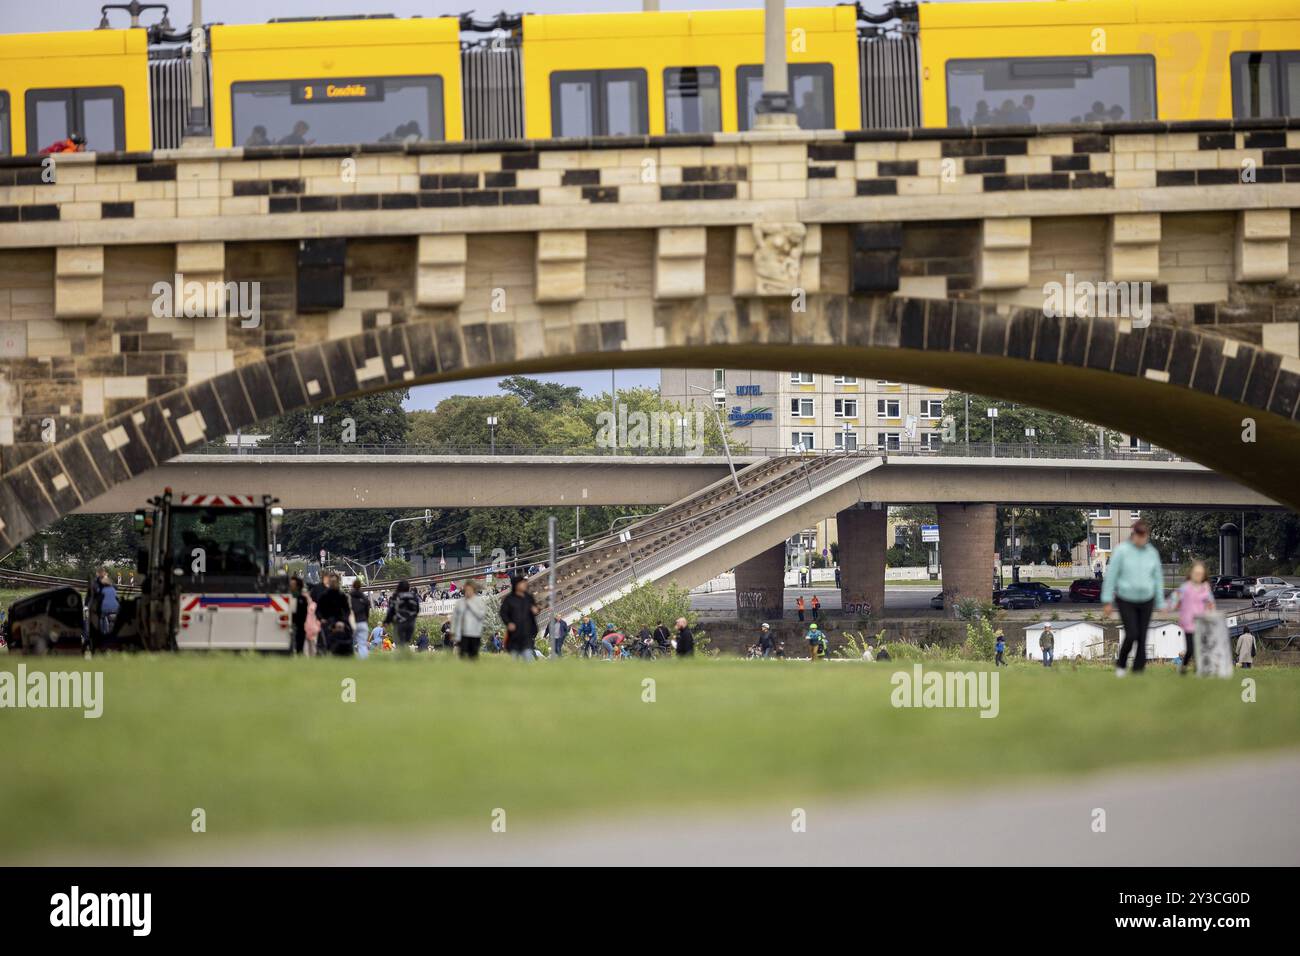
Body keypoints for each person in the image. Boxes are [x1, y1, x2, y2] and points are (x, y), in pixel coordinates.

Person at [1102, 519, 1165, 677]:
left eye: (1145, 536)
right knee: (1132, 634)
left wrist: (1161, 602)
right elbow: (1111, 576)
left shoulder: (1152, 553)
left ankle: (1138, 673)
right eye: (1139, 535)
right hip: (1126, 598)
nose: (1142, 539)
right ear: (1134, 534)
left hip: (1147, 599)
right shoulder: (1122, 551)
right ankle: (1121, 664)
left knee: (1142, 637)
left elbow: (1157, 577)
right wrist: (1107, 600)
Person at [1169, 561, 1215, 674]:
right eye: (1196, 573)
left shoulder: (1205, 588)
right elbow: (1175, 598)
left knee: (1201, 648)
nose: (1198, 575)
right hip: (1188, 623)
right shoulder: (1186, 587)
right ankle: (1183, 666)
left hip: (1201, 622)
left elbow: (1210, 602)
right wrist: (1169, 607)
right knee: (1190, 648)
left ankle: (1199, 669)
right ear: (1191, 574)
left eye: (1201, 573)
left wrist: (1212, 611)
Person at [499, 576, 539, 659]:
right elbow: (503, 613)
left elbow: (535, 610)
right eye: (522, 583)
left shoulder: (528, 597)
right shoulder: (509, 599)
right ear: (516, 585)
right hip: (514, 636)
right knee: (514, 659)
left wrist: (536, 610)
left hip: (527, 635)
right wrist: (508, 622)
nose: (525, 585)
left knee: (528, 658)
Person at [315, 573, 353, 655]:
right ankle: (325, 649)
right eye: (332, 581)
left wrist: (344, 620)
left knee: (349, 631)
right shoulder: (324, 596)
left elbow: (347, 610)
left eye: (335, 581)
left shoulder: (342, 596)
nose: (333, 583)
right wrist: (321, 619)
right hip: (327, 621)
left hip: (340, 620)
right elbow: (318, 611)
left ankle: (348, 649)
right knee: (323, 636)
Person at [451, 580, 487, 659]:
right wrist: (453, 631)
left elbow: (481, 615)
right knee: (462, 655)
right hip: (463, 633)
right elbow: (455, 618)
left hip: (475, 633)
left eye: (470, 590)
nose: (468, 592)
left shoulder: (479, 601)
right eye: (466, 590)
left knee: (473, 656)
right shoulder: (460, 602)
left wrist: (471, 605)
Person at [385, 579, 421, 650]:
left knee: (399, 642)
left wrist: (387, 621)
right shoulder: (413, 596)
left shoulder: (395, 596)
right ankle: (406, 655)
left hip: (400, 622)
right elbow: (417, 609)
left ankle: (401, 655)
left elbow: (391, 610)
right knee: (406, 642)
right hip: (410, 623)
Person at [349, 579, 371, 659]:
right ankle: (363, 661)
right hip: (363, 622)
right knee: (362, 644)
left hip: (352, 623)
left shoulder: (349, 598)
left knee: (349, 642)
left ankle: (350, 659)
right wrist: (366, 619)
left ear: (353, 586)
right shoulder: (365, 599)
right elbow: (367, 611)